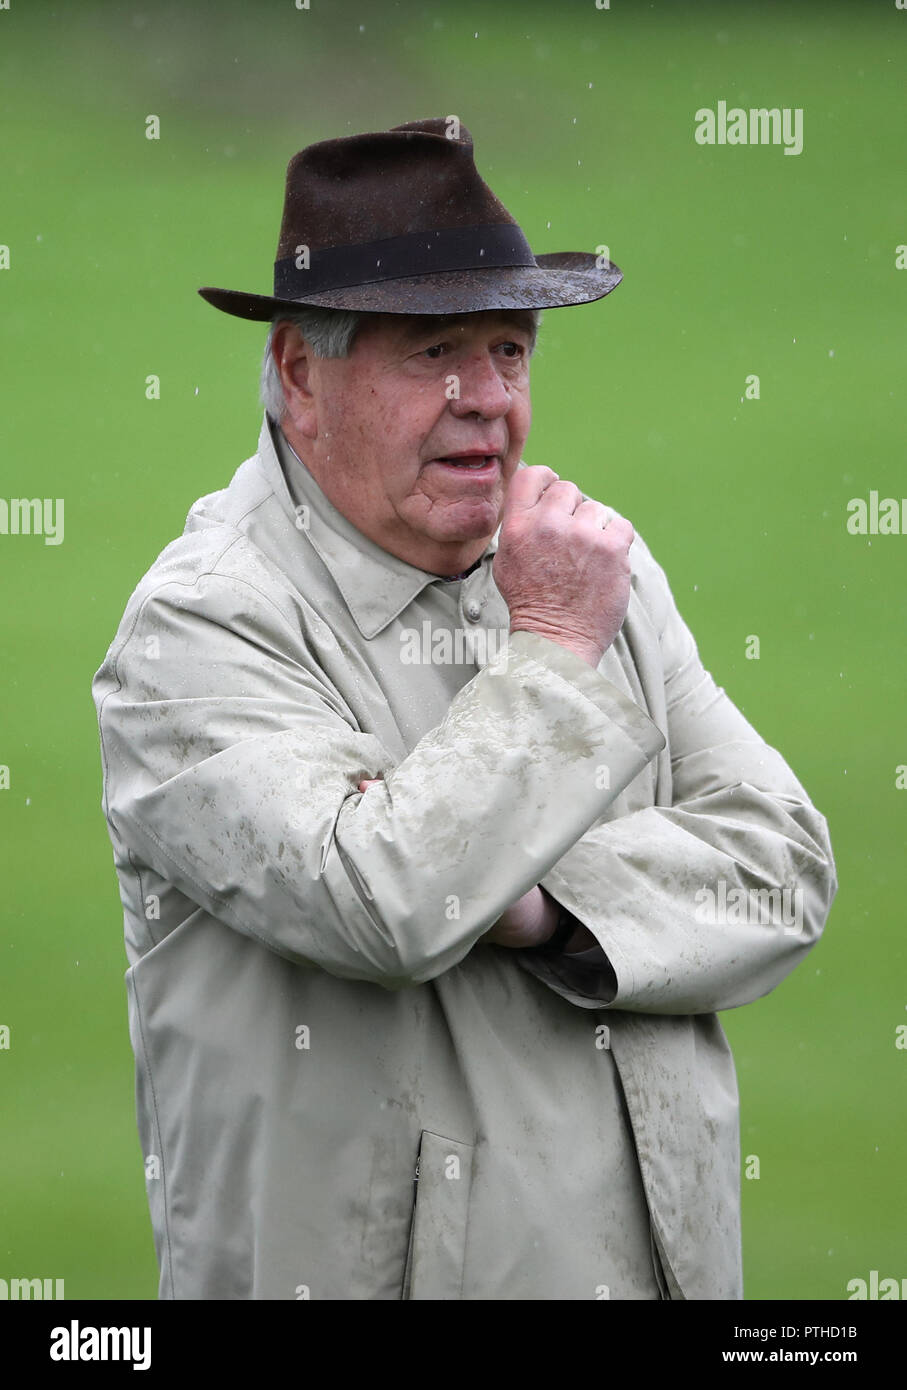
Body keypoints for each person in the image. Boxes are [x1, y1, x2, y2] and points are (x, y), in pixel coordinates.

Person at [91, 117, 837, 1300]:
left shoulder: (596, 571)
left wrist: (545, 909)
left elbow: (782, 870)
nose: (486, 398)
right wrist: (547, 652)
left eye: (509, 348)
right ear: (299, 374)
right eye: (434, 350)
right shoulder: (197, 630)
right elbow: (388, 900)